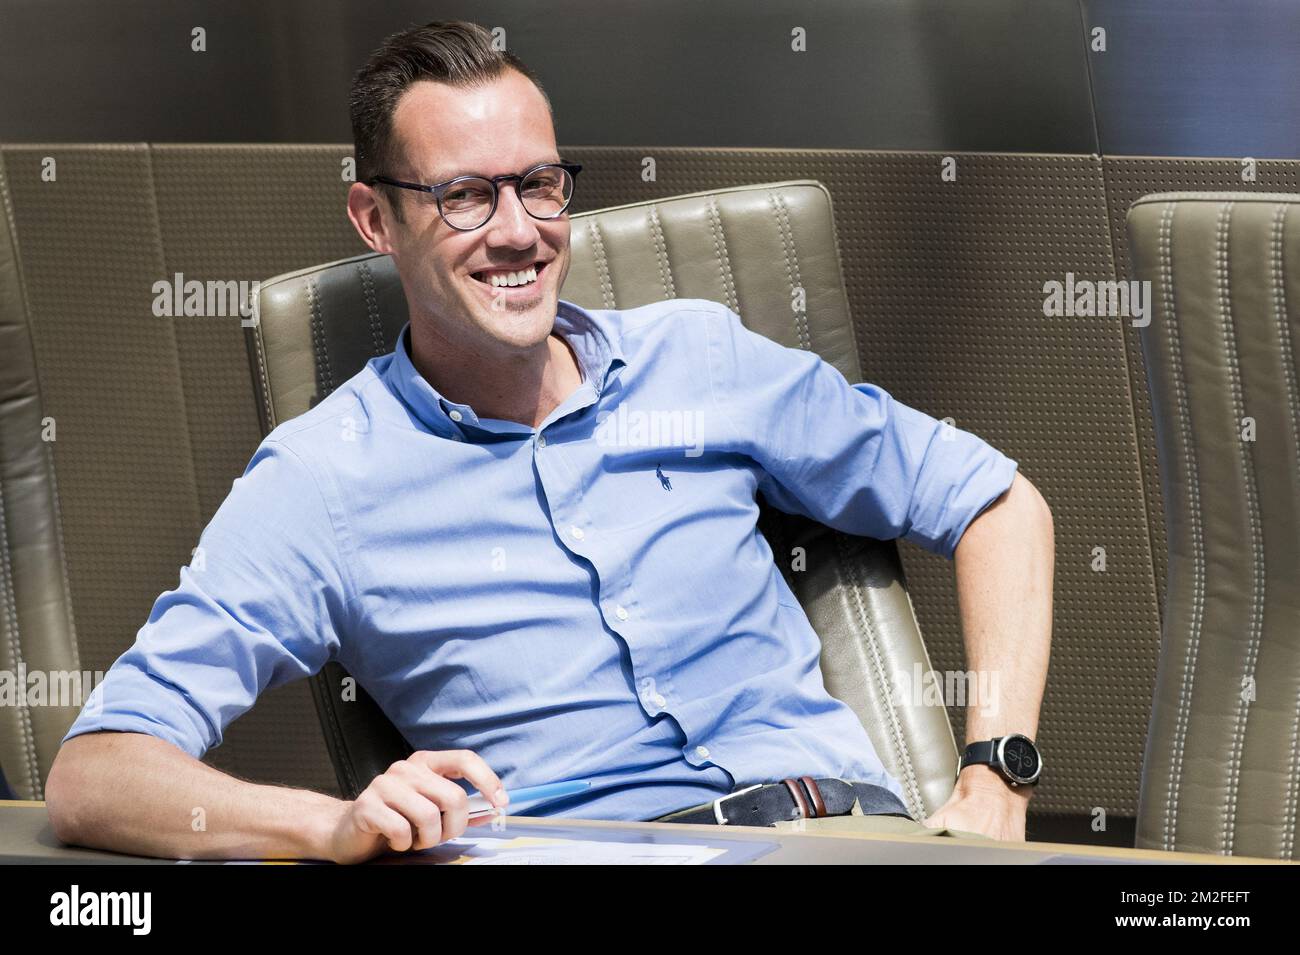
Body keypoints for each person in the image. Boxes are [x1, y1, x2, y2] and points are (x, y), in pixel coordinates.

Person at [45, 20, 1054, 864]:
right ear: (375, 218)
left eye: (540, 184)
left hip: (838, 832)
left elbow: (995, 502)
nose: (519, 230)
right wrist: (327, 822)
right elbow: (97, 775)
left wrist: (994, 771)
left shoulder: (697, 357)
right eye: (464, 196)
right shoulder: (324, 477)